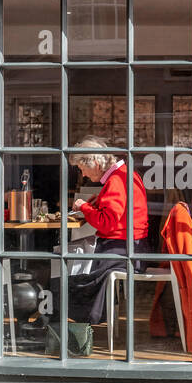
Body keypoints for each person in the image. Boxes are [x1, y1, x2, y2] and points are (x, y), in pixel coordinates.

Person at [66, 136, 150, 325]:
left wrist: (85, 208)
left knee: (76, 281)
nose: (84, 175)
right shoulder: (123, 174)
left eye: (82, 169)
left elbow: (106, 223)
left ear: (95, 163)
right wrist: (100, 200)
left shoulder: (116, 181)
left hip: (122, 249)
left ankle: (77, 324)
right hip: (134, 247)